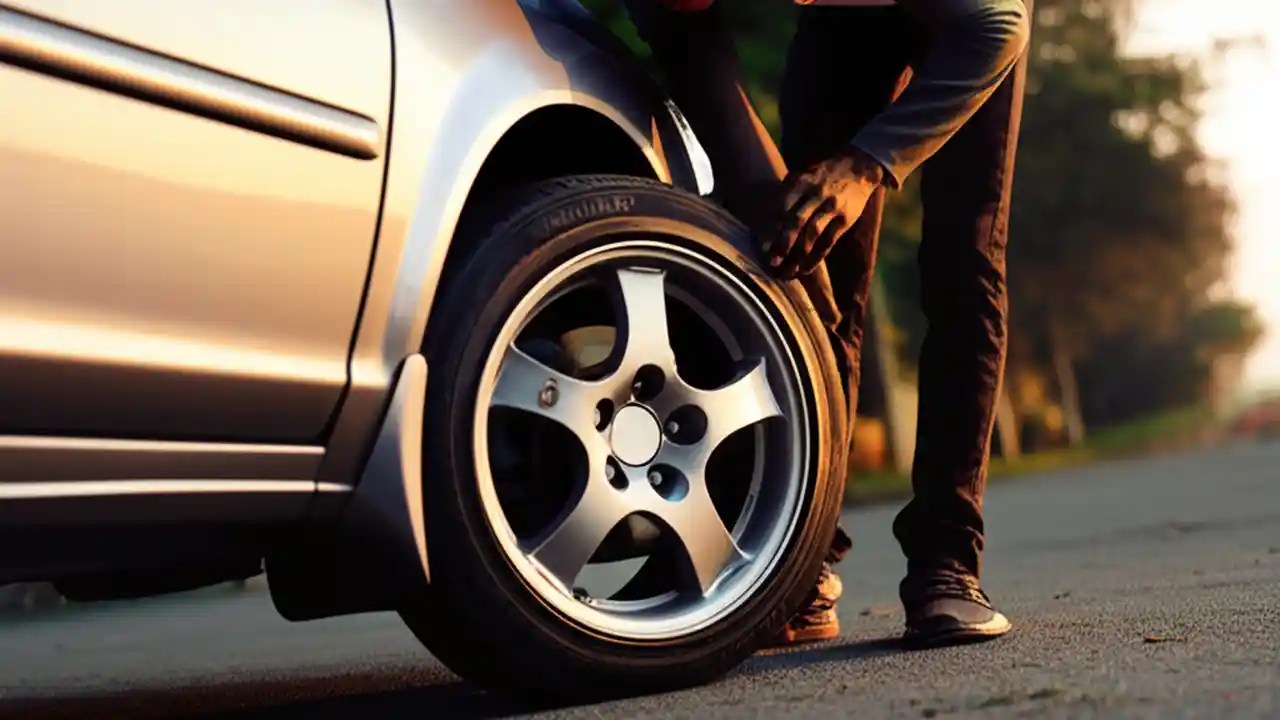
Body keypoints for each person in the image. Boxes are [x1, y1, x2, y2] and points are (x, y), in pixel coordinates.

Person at [620, 0, 1032, 648]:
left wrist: (866, 166)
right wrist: (769, 197)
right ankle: (801, 562)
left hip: (974, 22)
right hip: (840, 21)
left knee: (964, 260)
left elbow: (999, 27)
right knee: (806, 251)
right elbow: (693, 51)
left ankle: (946, 562)